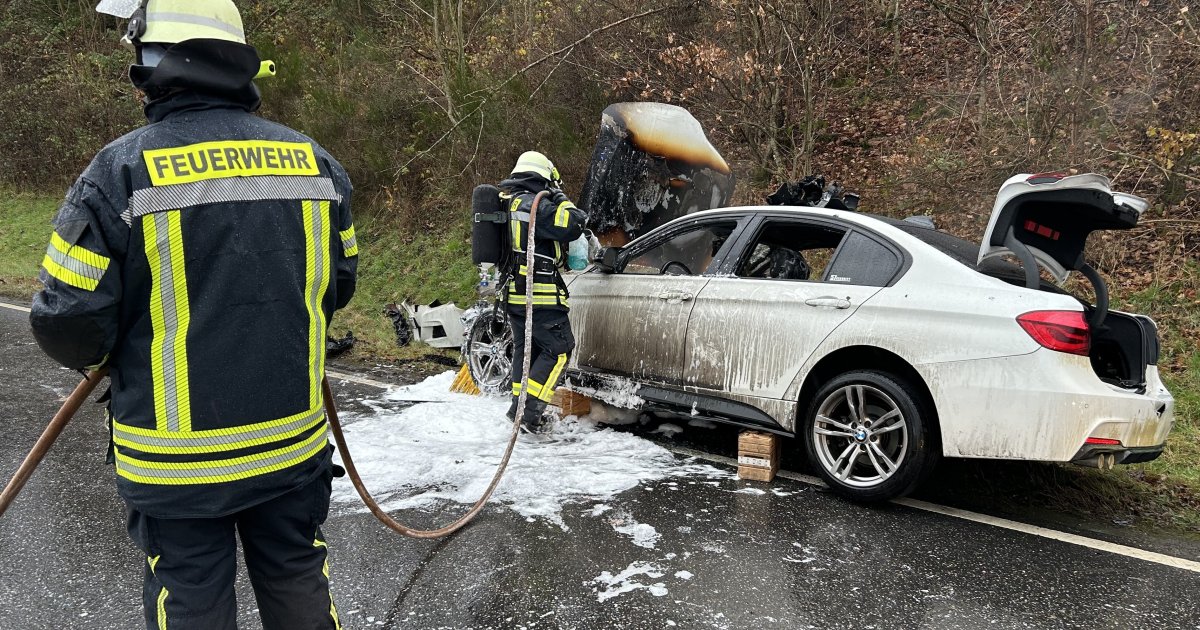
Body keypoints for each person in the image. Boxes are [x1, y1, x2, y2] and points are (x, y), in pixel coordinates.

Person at [29, 1, 356, 628]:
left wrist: (113, 345)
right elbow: (336, 286)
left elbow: (66, 321)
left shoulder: (119, 172)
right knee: (297, 580)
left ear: (153, 64)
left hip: (175, 462)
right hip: (291, 446)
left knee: (191, 603)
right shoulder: (314, 163)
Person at [500, 151, 586, 433]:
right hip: (539, 296)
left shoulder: (509, 202)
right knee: (559, 350)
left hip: (515, 295)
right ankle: (528, 415)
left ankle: (518, 408)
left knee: (528, 350)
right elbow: (575, 223)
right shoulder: (536, 205)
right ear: (545, 178)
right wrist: (560, 196)